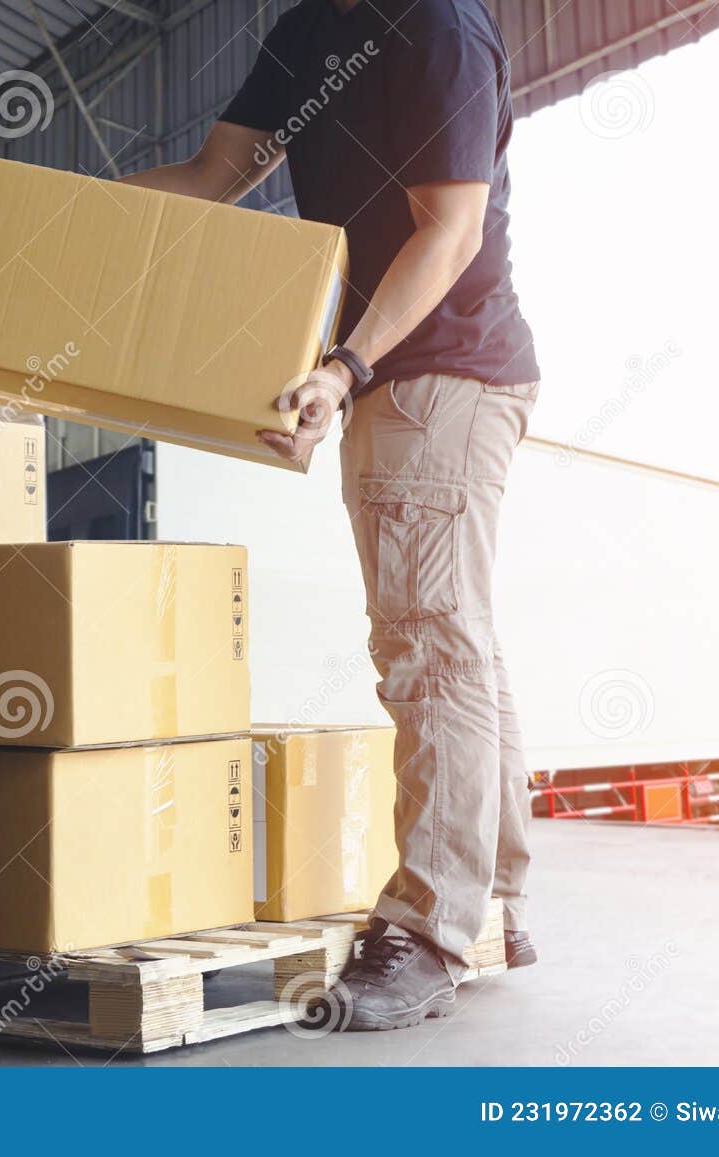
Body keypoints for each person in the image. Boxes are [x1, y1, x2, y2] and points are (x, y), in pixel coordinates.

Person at [122, 0, 541, 1030]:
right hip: (393, 367)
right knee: (454, 636)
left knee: (427, 643)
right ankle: (498, 896)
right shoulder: (309, 28)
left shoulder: (439, 27)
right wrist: (52, 215)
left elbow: (448, 232)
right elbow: (216, 177)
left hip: (443, 369)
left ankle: (432, 931)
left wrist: (346, 367)